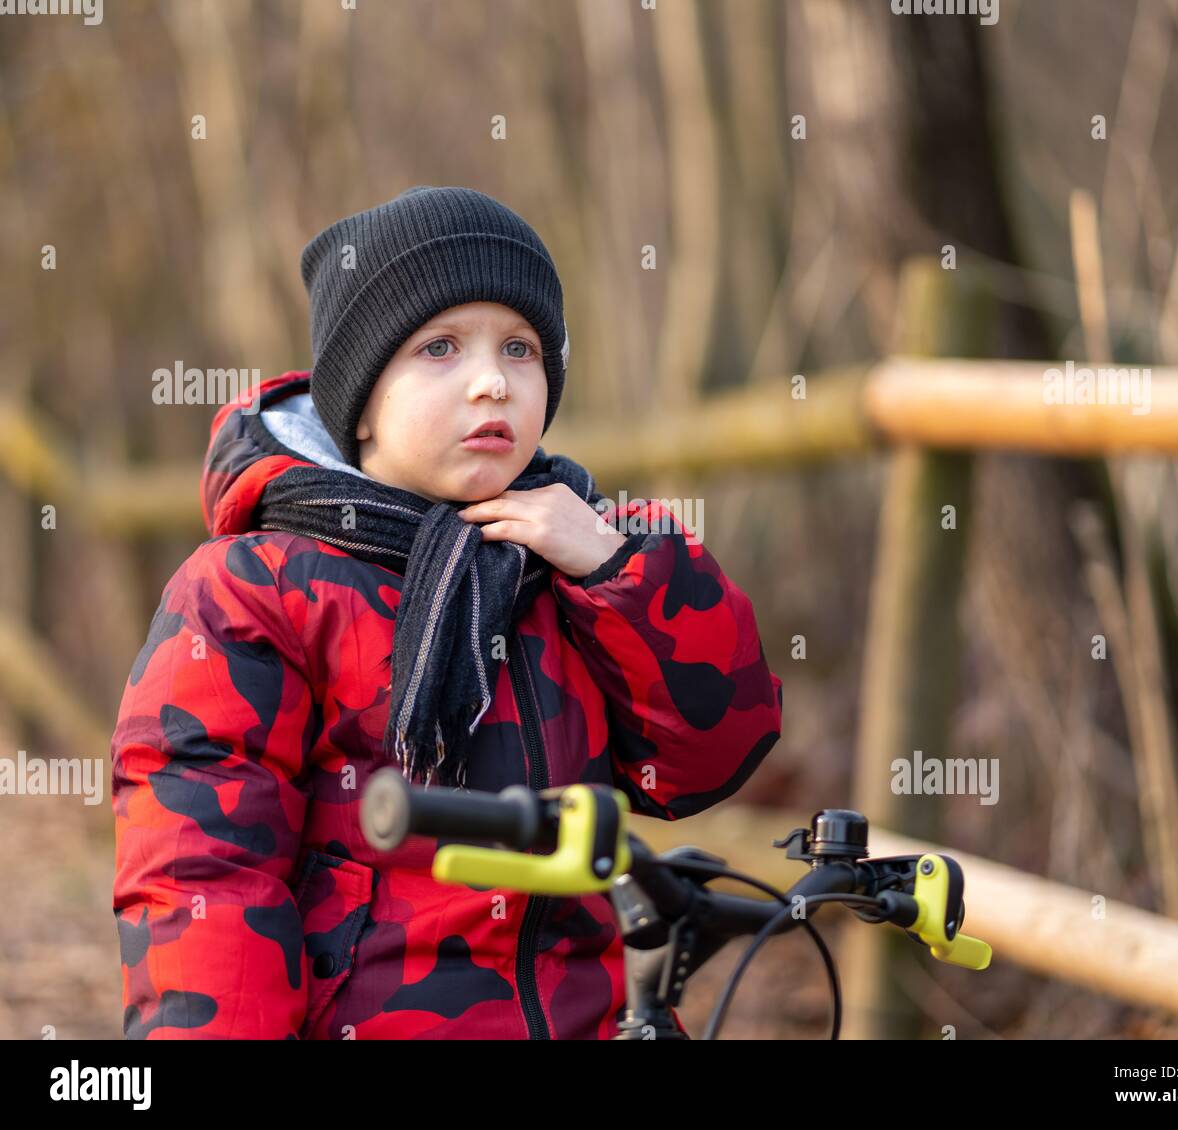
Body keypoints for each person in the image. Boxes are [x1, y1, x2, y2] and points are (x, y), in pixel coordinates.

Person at [111, 185, 783, 1039]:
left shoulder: (572, 560)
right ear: (359, 398)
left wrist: (616, 570)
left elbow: (707, 759)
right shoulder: (255, 589)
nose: (492, 383)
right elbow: (203, 876)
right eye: (439, 348)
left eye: (521, 348)